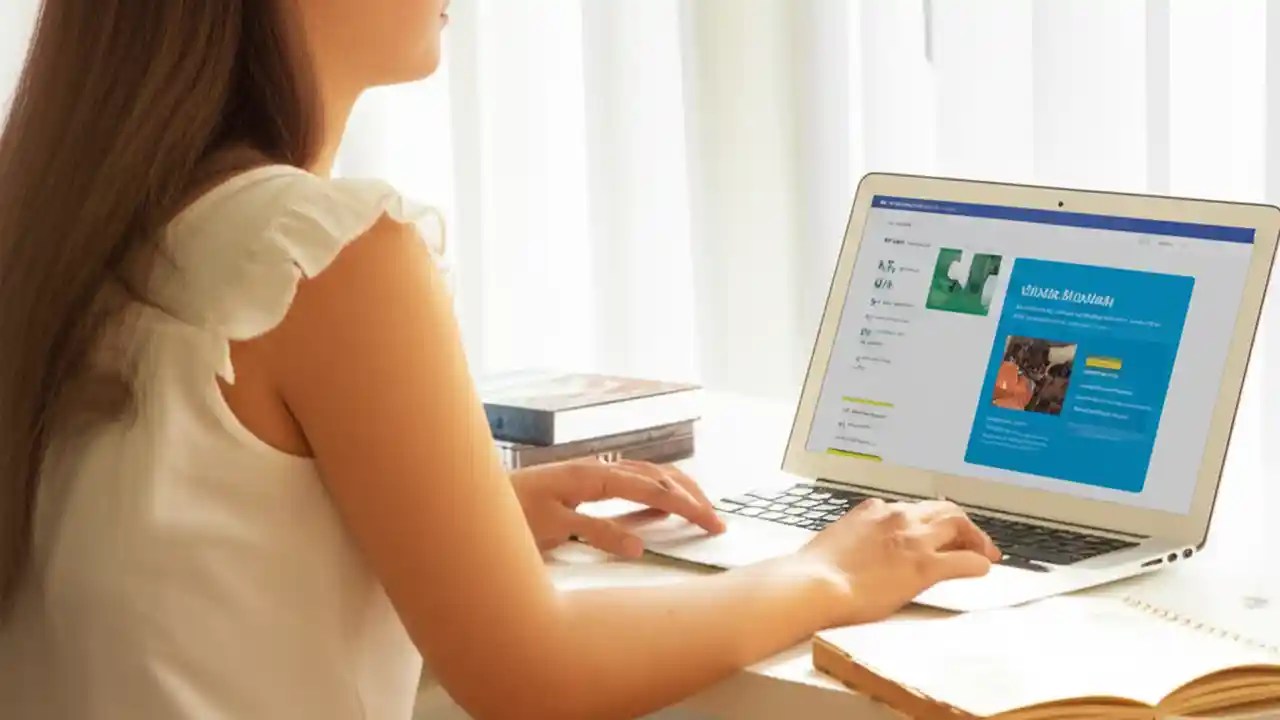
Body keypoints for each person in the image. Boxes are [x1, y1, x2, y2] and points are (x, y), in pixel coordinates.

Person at [0, 2, 1001, 718]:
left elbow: (166, 550)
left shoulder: (81, 223)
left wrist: (456, 523)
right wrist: (827, 571)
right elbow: (535, 679)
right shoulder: (322, 251)